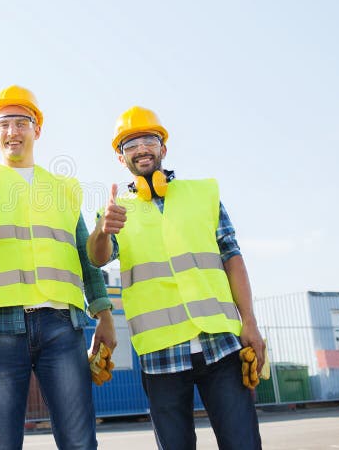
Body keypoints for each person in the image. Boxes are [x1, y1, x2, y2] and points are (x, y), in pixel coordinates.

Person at [86, 106, 265, 449]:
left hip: (221, 344)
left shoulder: (203, 194)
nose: (140, 149)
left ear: (163, 149)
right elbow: (98, 257)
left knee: (243, 443)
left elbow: (233, 258)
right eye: (130, 144)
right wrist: (102, 228)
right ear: (120, 157)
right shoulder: (115, 210)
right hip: (160, 353)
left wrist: (250, 322)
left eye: (148, 140)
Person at [0, 85, 117, 449]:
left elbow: (85, 255)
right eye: (4, 124)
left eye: (21, 122)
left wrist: (104, 314)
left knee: (79, 441)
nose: (12, 131)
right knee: (1, 443)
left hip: (60, 325)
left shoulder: (63, 188)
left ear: (37, 130)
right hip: (0, 329)